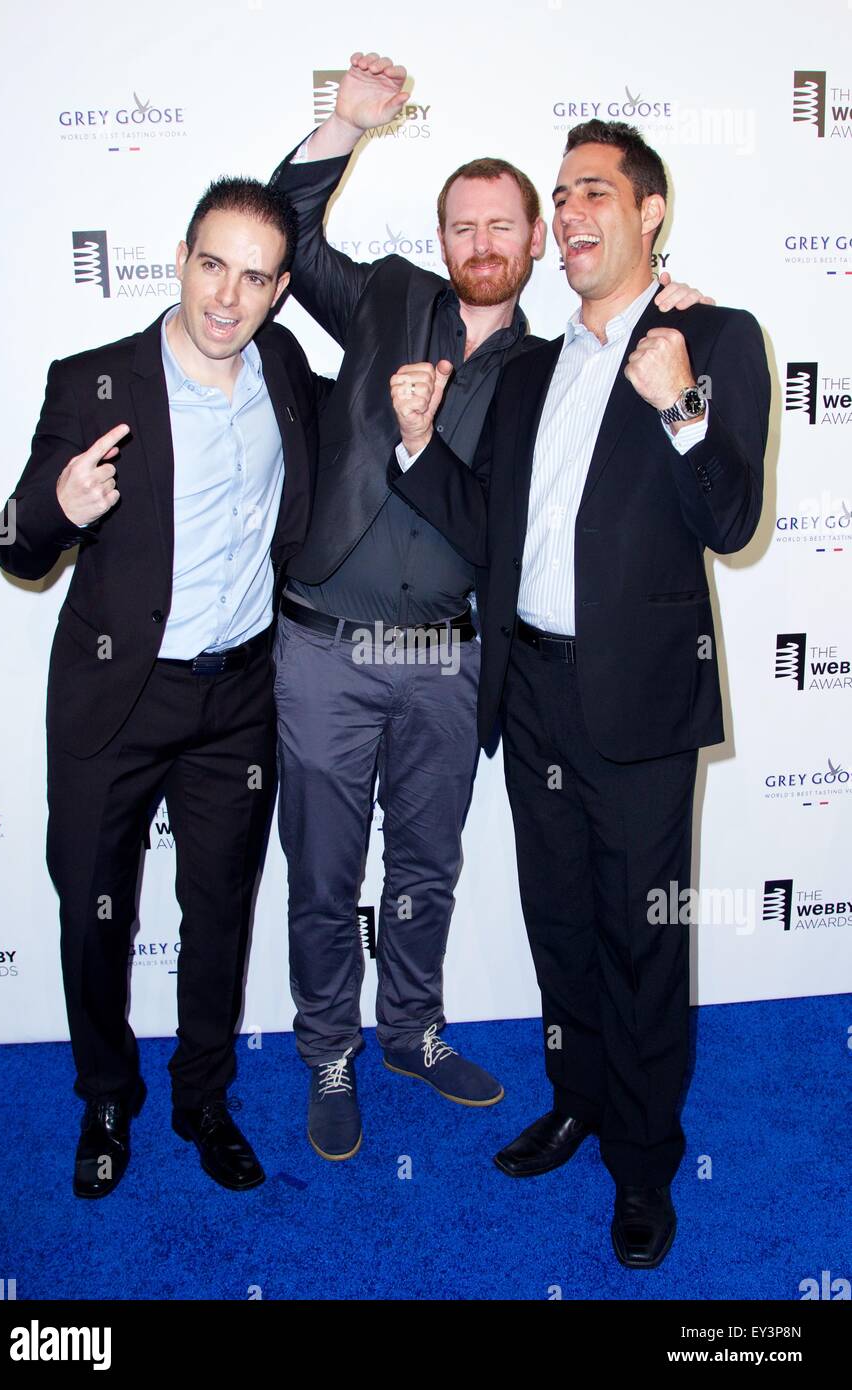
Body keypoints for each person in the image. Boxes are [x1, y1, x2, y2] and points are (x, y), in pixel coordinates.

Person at [269, 52, 707, 1163]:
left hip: (449, 662)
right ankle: (327, 1048)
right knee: (324, 869)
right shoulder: (382, 297)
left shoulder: (548, 369)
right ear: (442, 238)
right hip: (326, 642)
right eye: (461, 225)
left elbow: (654, 386)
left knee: (425, 867)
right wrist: (343, 126)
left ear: (535, 243)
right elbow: (284, 236)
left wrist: (684, 306)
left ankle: (411, 1028)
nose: (482, 242)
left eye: (505, 224)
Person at [388, 118, 770, 1267]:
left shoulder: (715, 336)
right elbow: (487, 537)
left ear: (650, 212)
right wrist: (417, 448)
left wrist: (678, 401)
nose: (568, 215)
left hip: (642, 704)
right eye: (560, 196)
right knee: (559, 922)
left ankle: (645, 1161)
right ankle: (582, 1097)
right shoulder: (531, 372)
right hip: (535, 691)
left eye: (593, 192)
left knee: (642, 937)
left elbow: (731, 518)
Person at [0, 178, 327, 1198]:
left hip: (237, 700)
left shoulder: (283, 364)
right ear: (180, 257)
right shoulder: (94, 382)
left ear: (277, 292)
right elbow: (13, 545)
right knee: (94, 913)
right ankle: (105, 1095)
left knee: (219, 908)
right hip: (115, 700)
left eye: (255, 276)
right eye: (211, 264)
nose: (228, 296)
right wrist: (56, 503)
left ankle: (203, 1095)